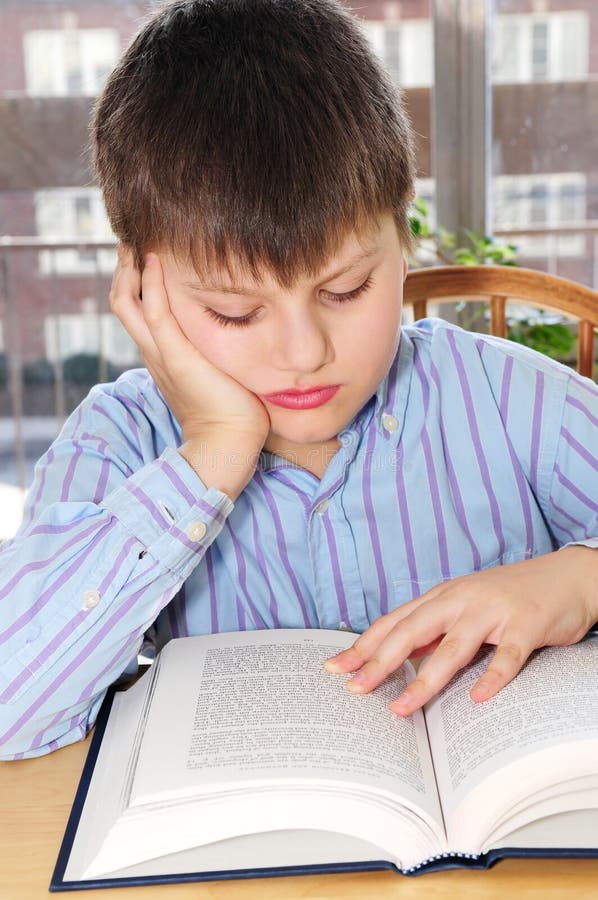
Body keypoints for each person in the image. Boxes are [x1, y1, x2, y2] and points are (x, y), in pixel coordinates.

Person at [0, 0, 597, 761]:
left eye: (345, 290)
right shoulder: (122, 438)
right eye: (234, 311)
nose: (304, 352)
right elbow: (7, 706)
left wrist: (579, 581)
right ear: (141, 290)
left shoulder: (503, 397)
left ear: (403, 240)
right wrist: (215, 451)